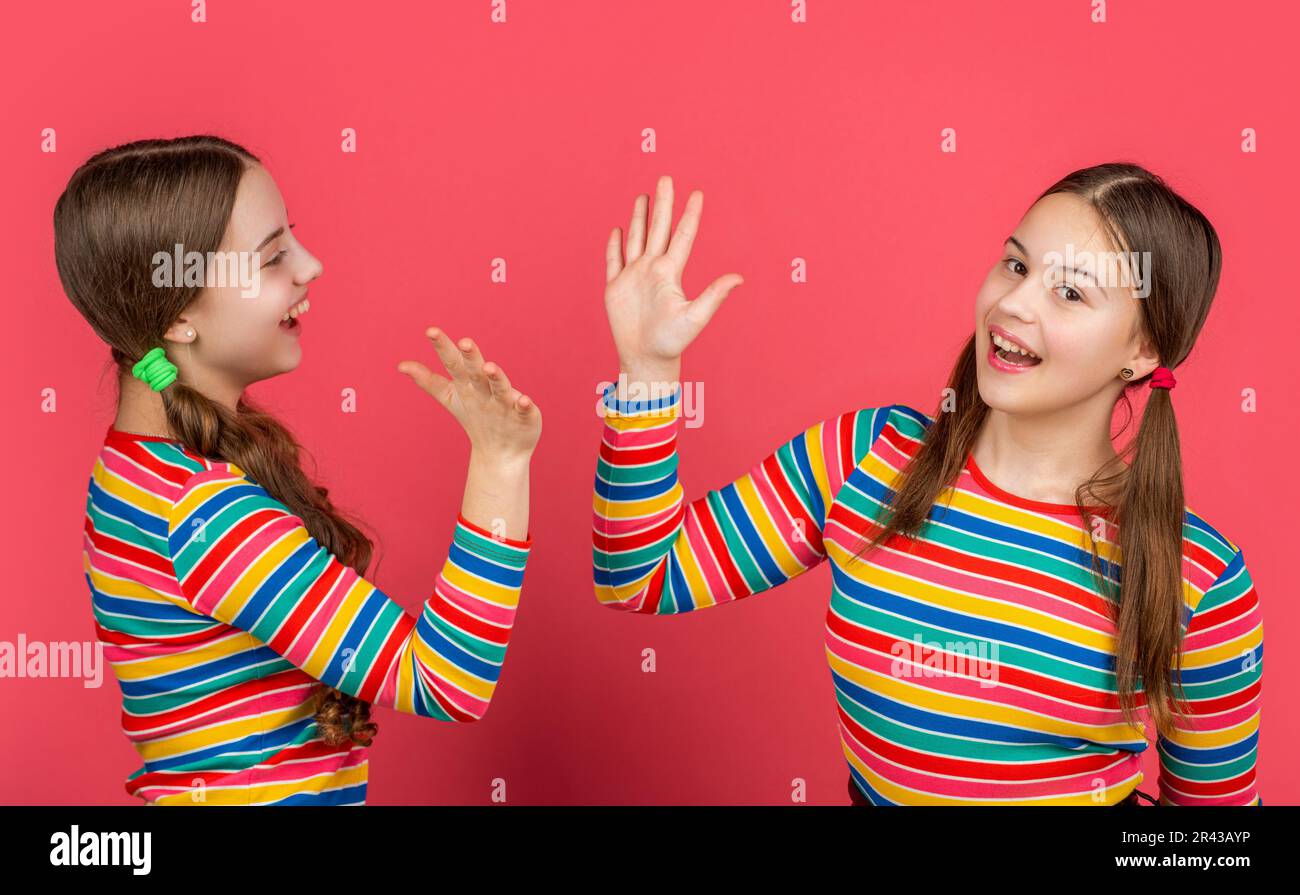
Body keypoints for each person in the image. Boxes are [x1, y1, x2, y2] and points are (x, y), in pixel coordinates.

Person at [592, 167, 1262, 805]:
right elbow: (640, 575)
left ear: (1142, 351)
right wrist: (648, 369)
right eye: (1017, 265)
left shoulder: (1198, 577)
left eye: (1069, 292)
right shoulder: (868, 458)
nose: (1012, 303)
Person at [57, 135, 541, 805]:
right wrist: (501, 458)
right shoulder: (206, 514)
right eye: (273, 256)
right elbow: (446, 680)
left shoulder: (130, 468)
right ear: (179, 315)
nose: (310, 266)